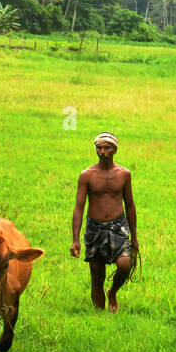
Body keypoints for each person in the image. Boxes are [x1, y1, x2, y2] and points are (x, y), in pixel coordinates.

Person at [71, 132, 138, 311]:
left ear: (114, 150)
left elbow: (130, 206)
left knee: (125, 264)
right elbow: (79, 207)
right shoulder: (87, 175)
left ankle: (113, 292)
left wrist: (135, 237)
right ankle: (99, 315)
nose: (102, 151)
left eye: (106, 148)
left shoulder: (124, 174)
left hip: (118, 226)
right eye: (99, 148)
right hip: (95, 228)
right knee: (97, 276)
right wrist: (75, 239)